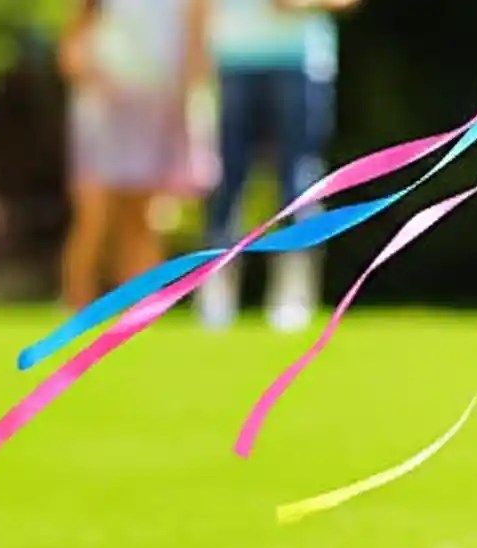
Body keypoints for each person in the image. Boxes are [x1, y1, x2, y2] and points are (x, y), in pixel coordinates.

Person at [196, 0, 360, 332]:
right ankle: (216, 295)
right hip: (231, 61)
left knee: (298, 182)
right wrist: (194, 63)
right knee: (226, 182)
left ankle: (293, 298)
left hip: (298, 62)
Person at [59, 0, 213, 310]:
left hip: (156, 107)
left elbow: (195, 51)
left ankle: (139, 309)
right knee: (94, 214)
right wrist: (95, 81)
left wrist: (186, 102)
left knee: (142, 216)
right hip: (103, 109)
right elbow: (72, 47)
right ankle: (76, 305)